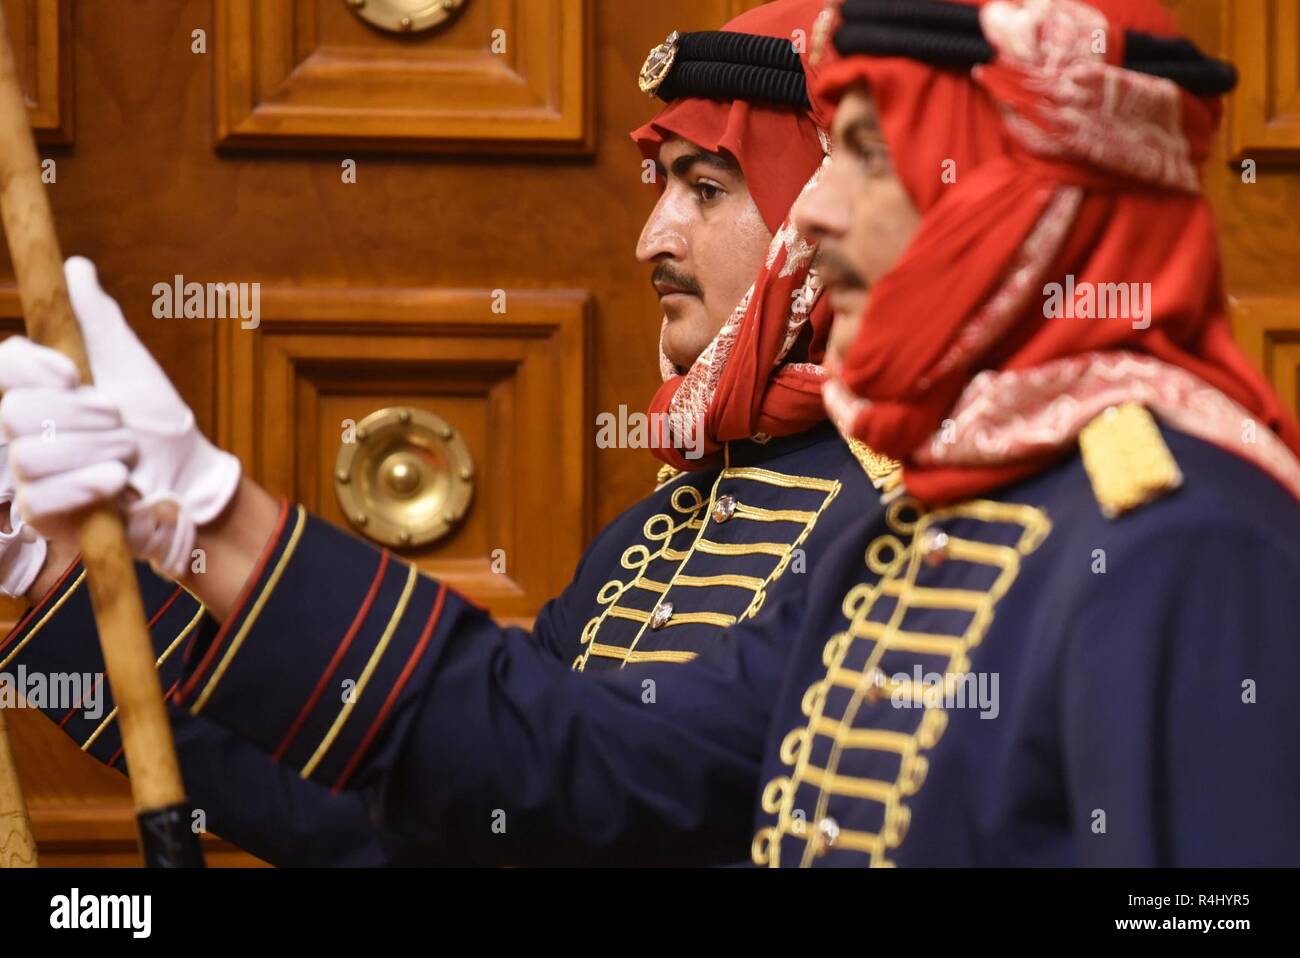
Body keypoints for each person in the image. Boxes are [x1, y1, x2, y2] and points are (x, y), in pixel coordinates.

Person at [10, 0, 1297, 867]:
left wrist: (211, 513)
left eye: (861, 156)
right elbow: (557, 770)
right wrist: (159, 546)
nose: (821, 220)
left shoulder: (1187, 540)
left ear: (1011, 202)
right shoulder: (916, 532)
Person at [0, 0, 893, 865]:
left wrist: (216, 514)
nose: (650, 238)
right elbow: (414, 817)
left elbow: (562, 768)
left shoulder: (898, 521)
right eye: (663, 185)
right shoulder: (647, 538)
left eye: (707, 188)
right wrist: (69, 573)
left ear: (813, 218)